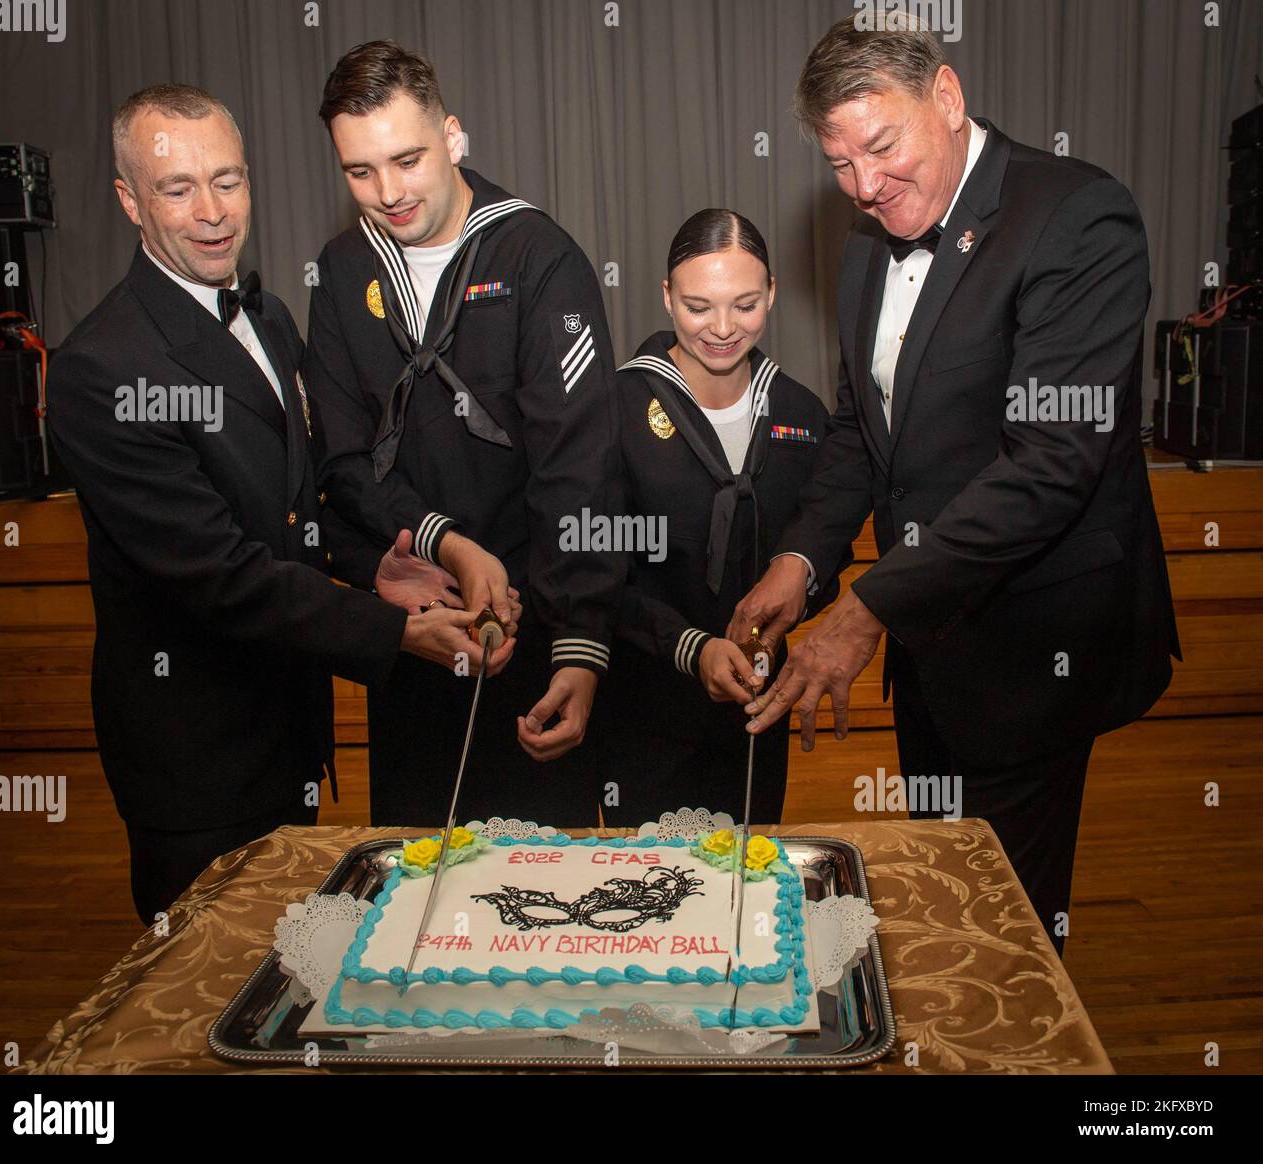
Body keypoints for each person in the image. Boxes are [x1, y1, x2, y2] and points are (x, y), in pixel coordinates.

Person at [734, 17, 1180, 956]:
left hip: (1035, 645)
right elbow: (865, 431)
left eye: (881, 147)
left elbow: (1053, 463)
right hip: (933, 640)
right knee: (941, 885)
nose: (863, 185)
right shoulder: (866, 241)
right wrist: (799, 559)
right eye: (840, 163)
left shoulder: (1077, 216)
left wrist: (864, 610)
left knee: (1004, 930)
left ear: (946, 95)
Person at [47, 84, 501, 925]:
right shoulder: (99, 370)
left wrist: (375, 570)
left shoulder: (272, 317)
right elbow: (219, 574)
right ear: (129, 202)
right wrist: (394, 632)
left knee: (285, 979)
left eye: (229, 180)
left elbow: (298, 509)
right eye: (178, 190)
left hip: (288, 733)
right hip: (196, 759)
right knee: (203, 1008)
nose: (213, 212)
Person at [304, 40, 623, 827]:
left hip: (535, 621)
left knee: (546, 894)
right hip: (415, 617)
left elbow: (578, 468)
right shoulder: (343, 270)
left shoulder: (540, 257)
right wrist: (444, 544)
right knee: (418, 887)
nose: (388, 193)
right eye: (359, 172)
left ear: (453, 136)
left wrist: (580, 642)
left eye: (408, 159)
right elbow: (344, 459)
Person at [591, 209, 847, 826]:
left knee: (750, 894)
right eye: (698, 306)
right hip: (643, 709)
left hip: (756, 714)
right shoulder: (614, 408)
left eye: (746, 304)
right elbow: (590, 570)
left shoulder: (802, 414)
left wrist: (786, 615)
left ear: (774, 294)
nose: (724, 329)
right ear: (666, 297)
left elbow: (822, 564)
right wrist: (691, 648)